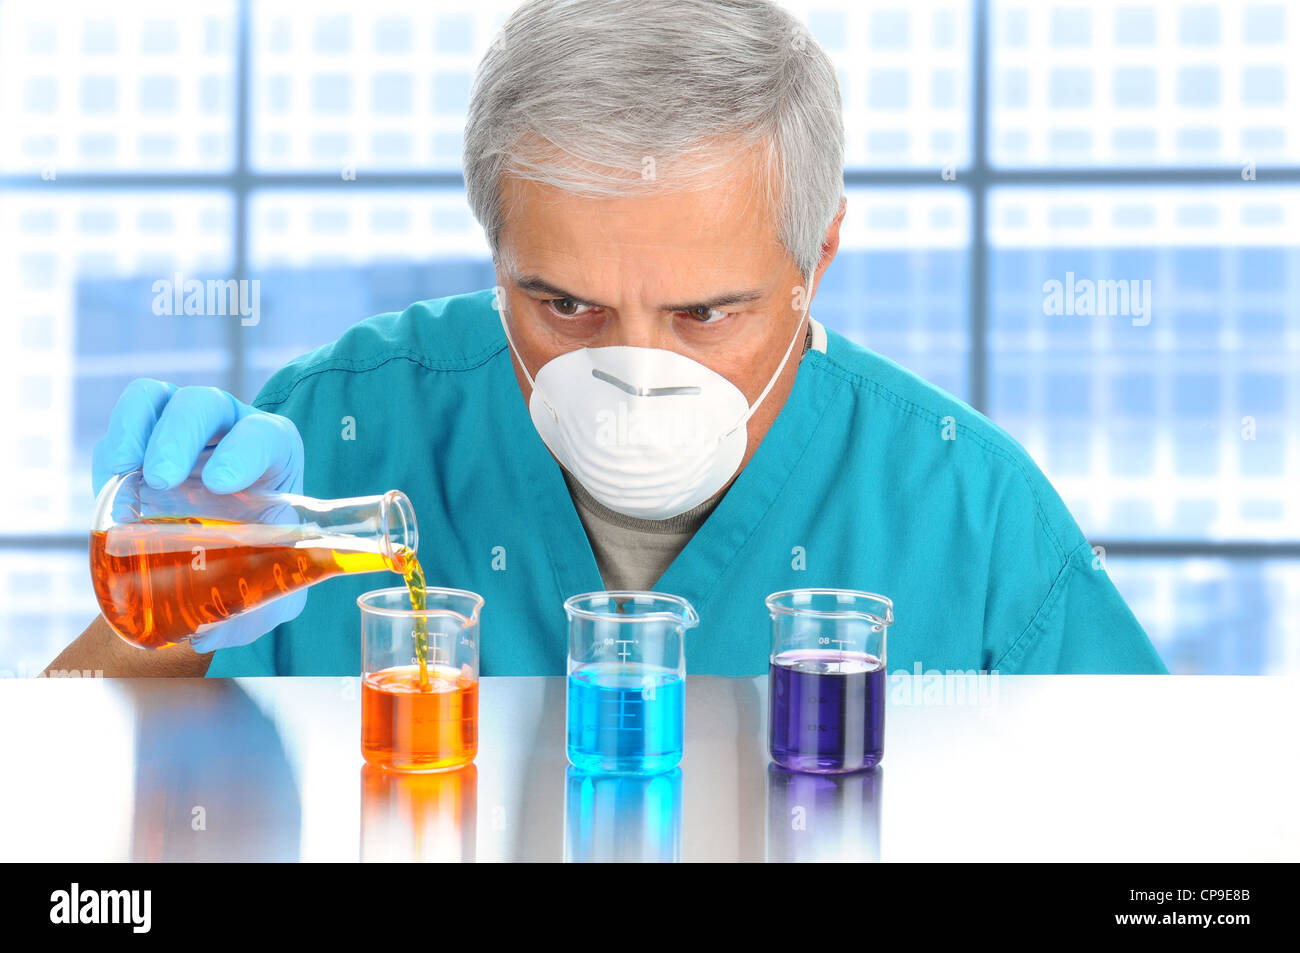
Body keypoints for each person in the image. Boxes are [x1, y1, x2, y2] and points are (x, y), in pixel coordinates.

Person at [48, 0, 1166, 678]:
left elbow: (1182, 873)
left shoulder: (965, 514)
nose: (636, 375)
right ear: (495, 254)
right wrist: (164, 617)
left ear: (815, 261)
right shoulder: (342, 433)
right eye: (564, 304)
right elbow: (58, 817)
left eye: (705, 313)